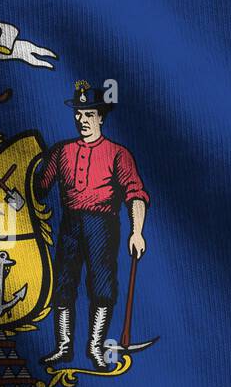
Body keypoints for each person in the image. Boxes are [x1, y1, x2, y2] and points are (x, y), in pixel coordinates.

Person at [35, 80, 149, 370]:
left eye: (88, 115)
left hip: (103, 226)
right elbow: (39, 187)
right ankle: (63, 347)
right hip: (70, 225)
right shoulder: (61, 151)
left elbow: (135, 194)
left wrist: (137, 232)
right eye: (78, 114)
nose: (82, 120)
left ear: (100, 117)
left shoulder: (118, 154)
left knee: (102, 288)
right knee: (63, 286)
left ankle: (96, 348)